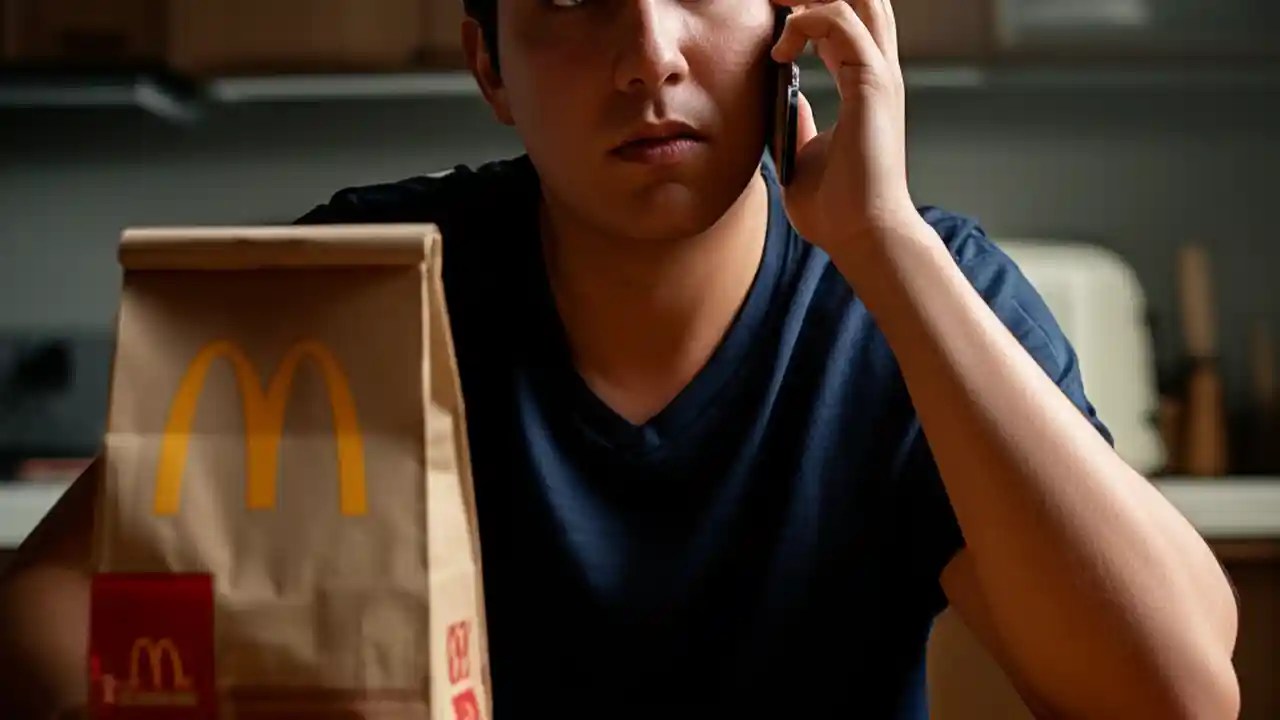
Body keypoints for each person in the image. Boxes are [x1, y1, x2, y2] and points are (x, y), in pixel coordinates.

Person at [0, 1, 1241, 718]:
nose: (648, 52)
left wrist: (885, 246)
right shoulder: (365, 281)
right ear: (488, 62)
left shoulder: (917, 296)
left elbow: (1176, 697)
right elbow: (47, 607)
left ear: (790, 22)